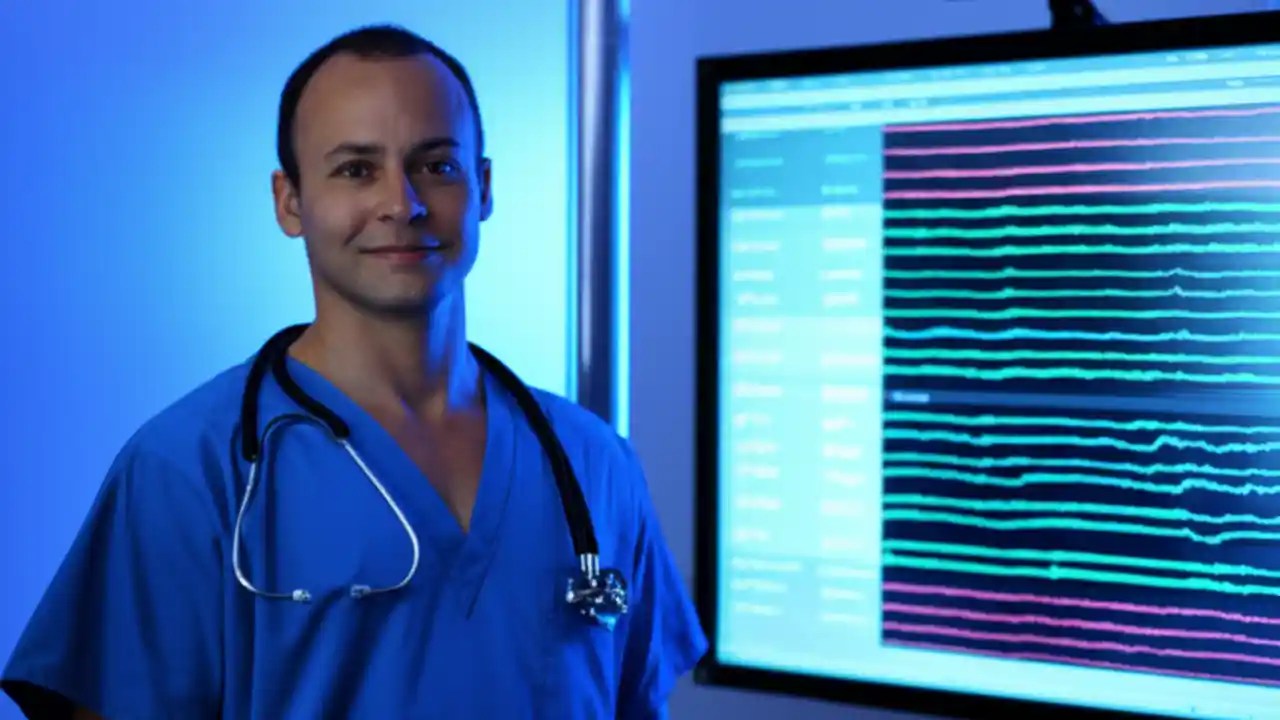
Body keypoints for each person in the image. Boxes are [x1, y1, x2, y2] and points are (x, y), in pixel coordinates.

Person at [0, 23, 707, 719]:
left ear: (483, 188)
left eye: (438, 164)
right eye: (356, 169)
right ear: (290, 202)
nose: (403, 203)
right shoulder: (188, 470)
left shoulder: (592, 461)